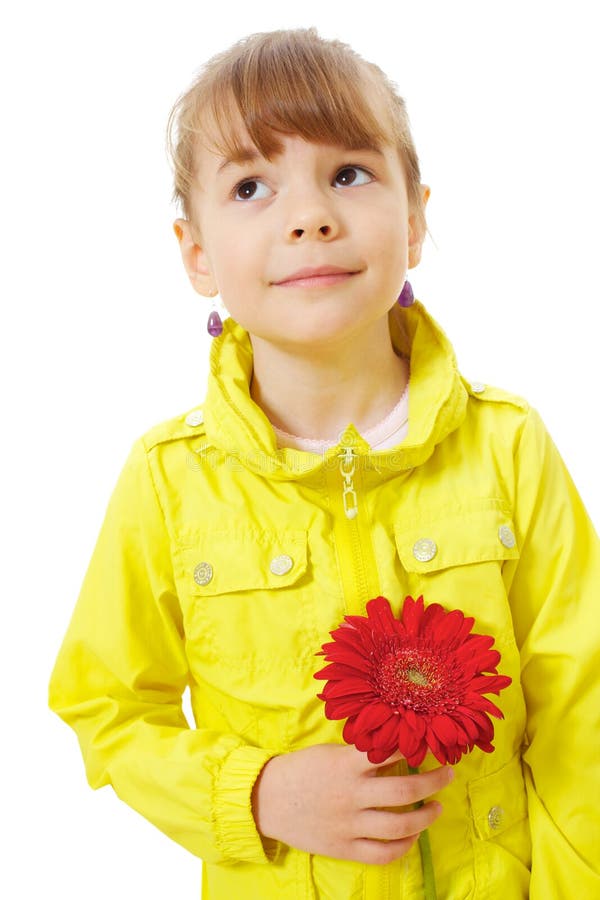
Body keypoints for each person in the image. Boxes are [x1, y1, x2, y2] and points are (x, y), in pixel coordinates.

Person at [48, 27, 600, 900]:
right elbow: (106, 708)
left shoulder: (508, 448)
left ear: (415, 218)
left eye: (348, 173)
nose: (309, 216)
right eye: (251, 186)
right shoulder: (168, 481)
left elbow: (584, 719)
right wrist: (255, 795)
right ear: (197, 253)